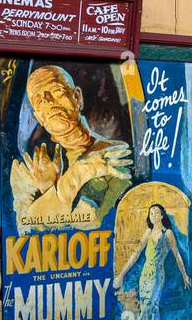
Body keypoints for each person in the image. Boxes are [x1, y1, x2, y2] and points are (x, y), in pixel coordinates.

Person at [9, 65, 133, 232]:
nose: (49, 104)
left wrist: (47, 195)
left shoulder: (113, 154)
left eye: (55, 92)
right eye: (40, 101)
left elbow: (88, 221)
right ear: (38, 116)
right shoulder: (28, 166)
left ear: (77, 97)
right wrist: (76, 174)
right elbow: (26, 228)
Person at [114, 204, 192, 320]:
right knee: (150, 311)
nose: (153, 215)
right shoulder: (148, 233)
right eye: (151, 213)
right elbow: (136, 253)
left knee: (147, 312)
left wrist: (184, 275)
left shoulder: (168, 233)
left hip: (157, 275)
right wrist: (121, 274)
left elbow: (177, 255)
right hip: (145, 275)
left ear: (162, 215)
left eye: (156, 212)